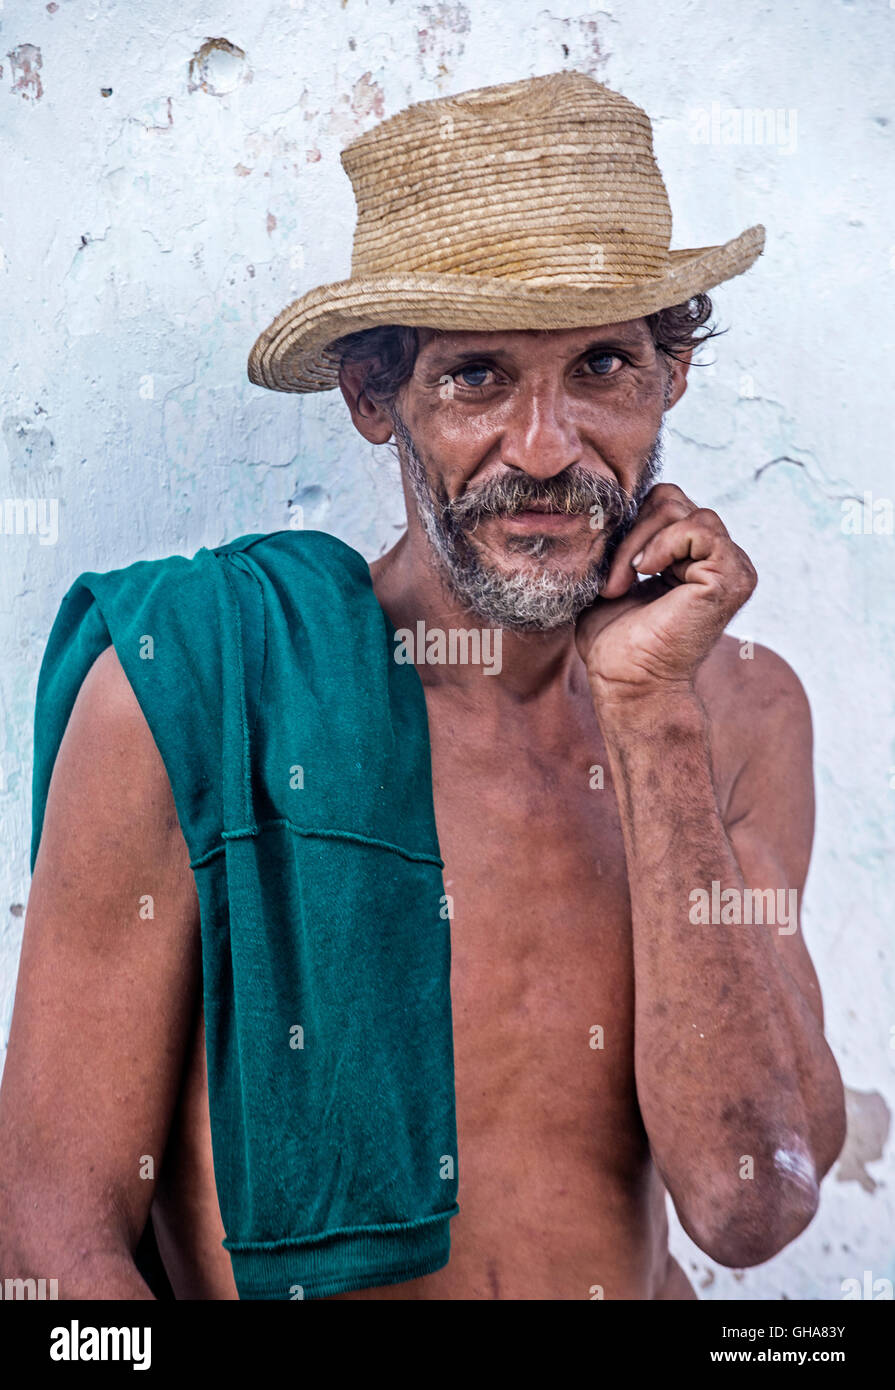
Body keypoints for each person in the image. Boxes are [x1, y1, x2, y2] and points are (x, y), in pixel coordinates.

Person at [0, 71, 845, 1300]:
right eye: (477, 377)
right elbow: (44, 1253)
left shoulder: (740, 709)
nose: (546, 448)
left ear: (669, 377)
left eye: (603, 363)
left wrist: (653, 715)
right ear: (371, 395)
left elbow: (750, 1201)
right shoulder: (196, 680)